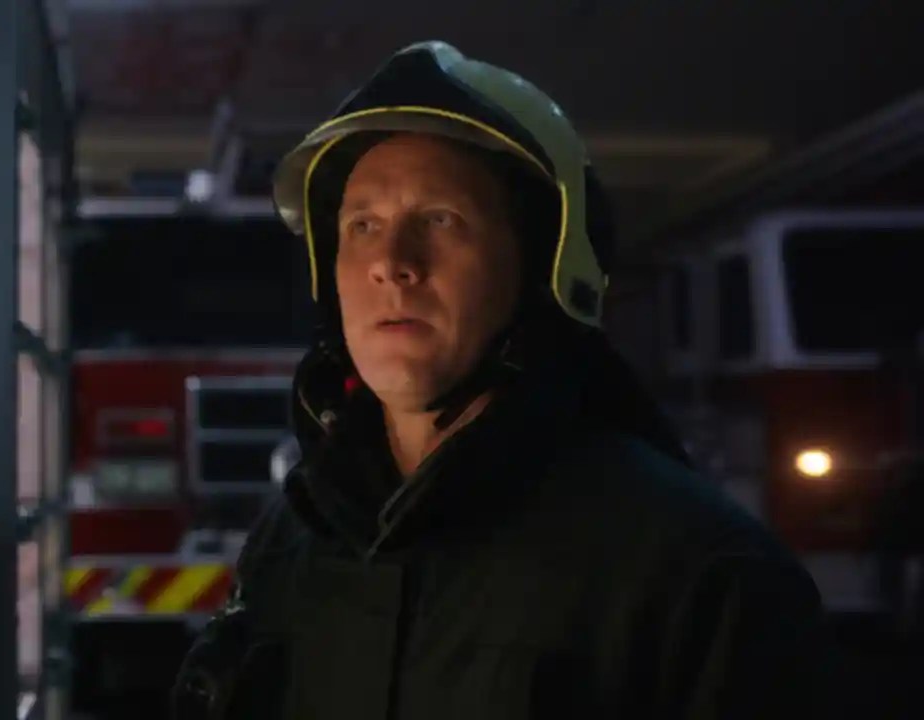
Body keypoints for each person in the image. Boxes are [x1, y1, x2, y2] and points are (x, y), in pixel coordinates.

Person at [172, 41, 842, 719]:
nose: (392, 263)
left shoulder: (702, 575)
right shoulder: (290, 546)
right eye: (363, 225)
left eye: (440, 220)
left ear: (546, 269)